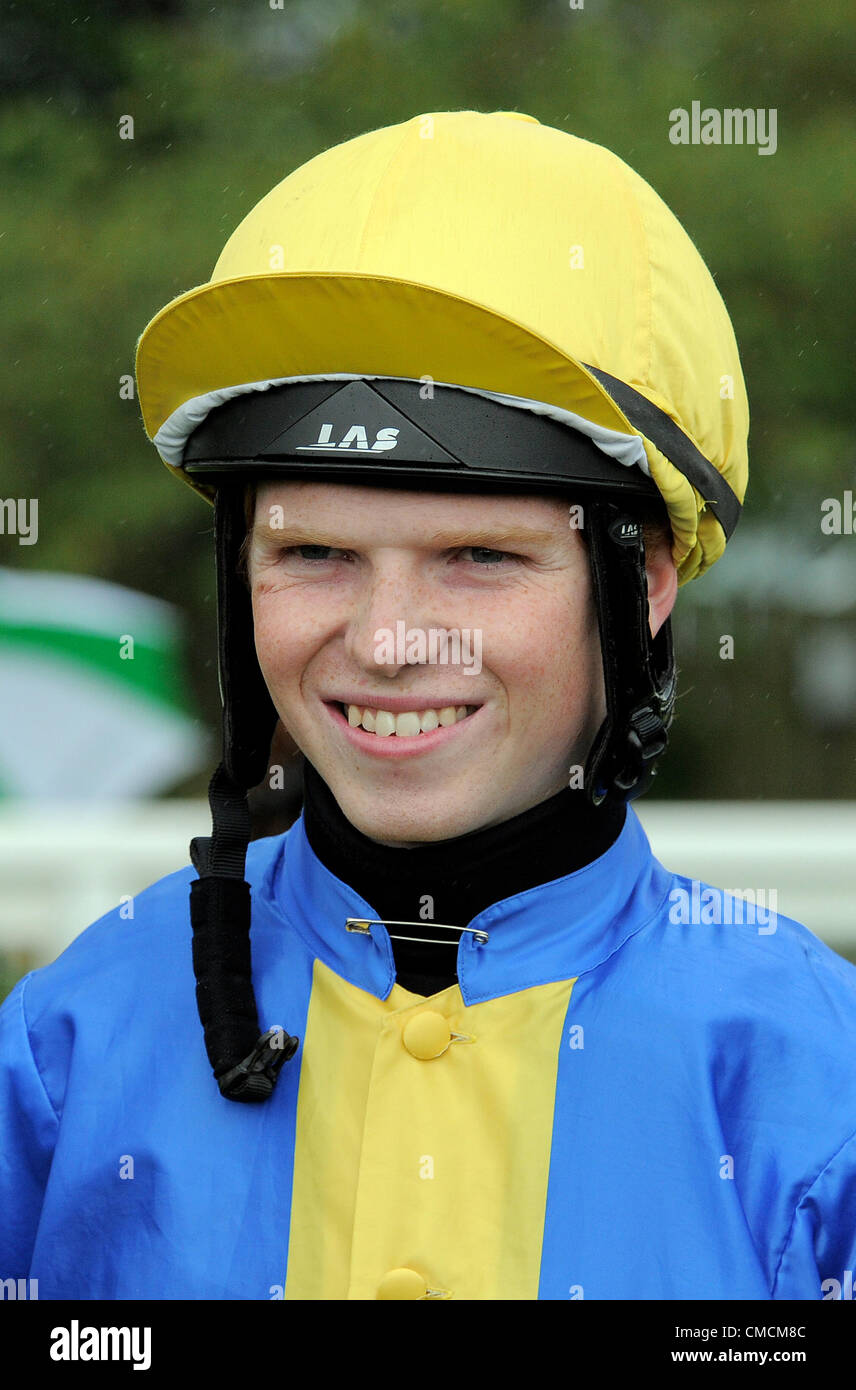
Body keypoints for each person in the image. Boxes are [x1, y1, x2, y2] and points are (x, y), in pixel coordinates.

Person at [2, 109, 855, 1302]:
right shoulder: (62, 1048)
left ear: (645, 581)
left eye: (478, 557)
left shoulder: (817, 1081)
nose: (389, 642)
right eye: (313, 556)